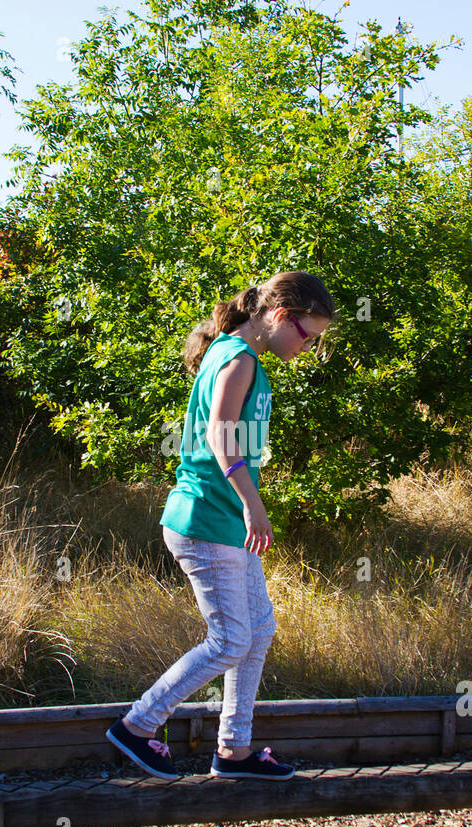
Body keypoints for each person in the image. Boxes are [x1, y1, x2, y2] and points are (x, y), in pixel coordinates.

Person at [106, 270, 336, 781]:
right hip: (207, 517)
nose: (307, 349)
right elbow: (220, 436)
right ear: (280, 317)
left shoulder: (236, 352)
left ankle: (235, 749)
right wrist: (254, 506)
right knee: (231, 639)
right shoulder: (237, 358)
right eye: (307, 336)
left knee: (256, 631)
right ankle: (138, 726)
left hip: (223, 520)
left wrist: (246, 510)